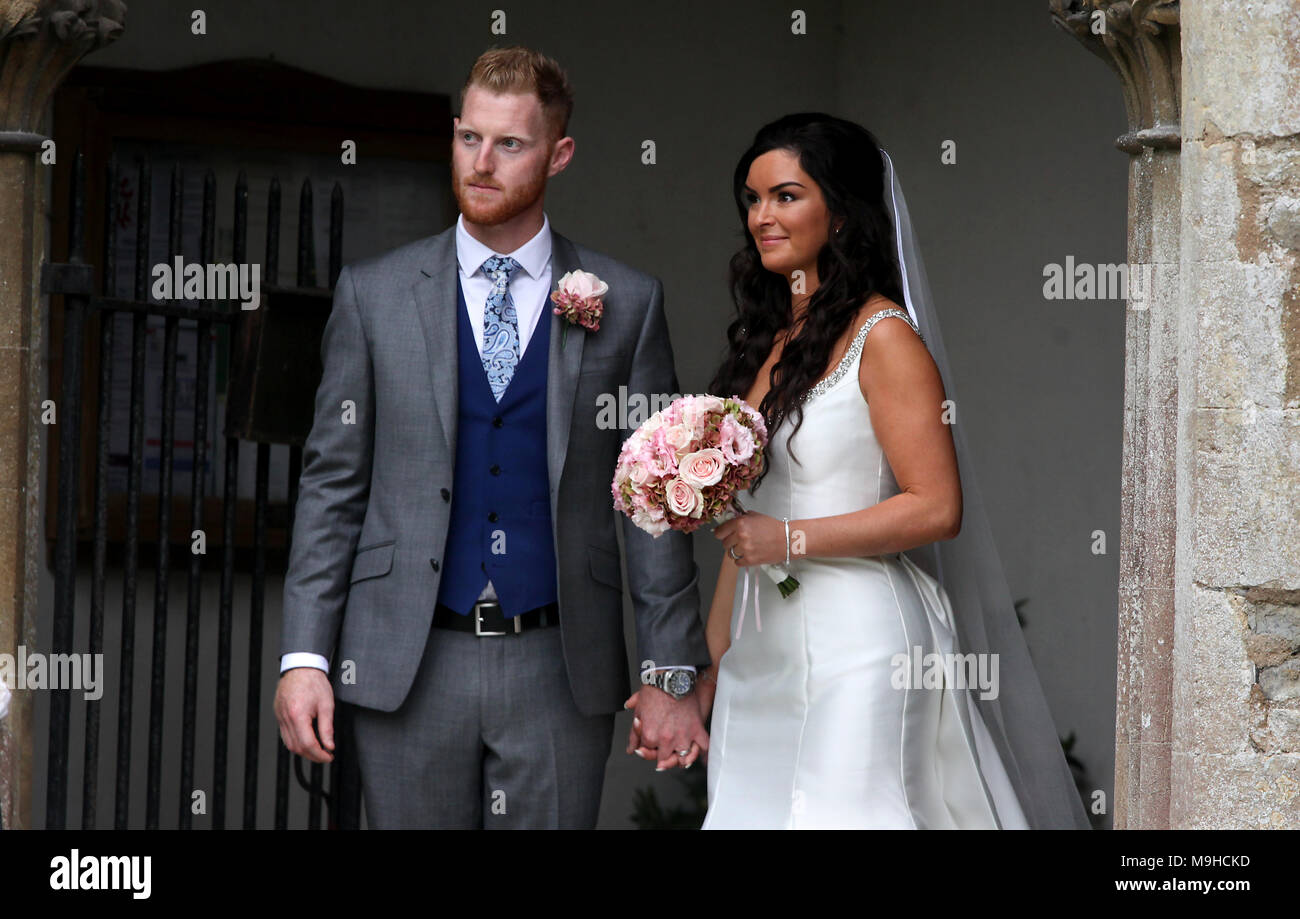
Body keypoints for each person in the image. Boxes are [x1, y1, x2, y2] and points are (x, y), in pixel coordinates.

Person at [273, 45, 709, 829]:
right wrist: (304, 655)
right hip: (409, 657)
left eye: (509, 143)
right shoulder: (373, 295)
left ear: (559, 153)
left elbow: (658, 506)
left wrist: (670, 671)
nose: (481, 161)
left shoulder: (626, 302)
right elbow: (331, 485)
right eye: (469, 137)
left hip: (558, 662)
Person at [628, 113, 1090, 829]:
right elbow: (741, 531)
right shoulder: (767, 344)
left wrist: (788, 539)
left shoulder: (886, 338)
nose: (761, 217)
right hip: (761, 647)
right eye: (752, 199)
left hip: (862, 644)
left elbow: (936, 507)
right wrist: (710, 673)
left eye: (786, 196)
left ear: (841, 214)